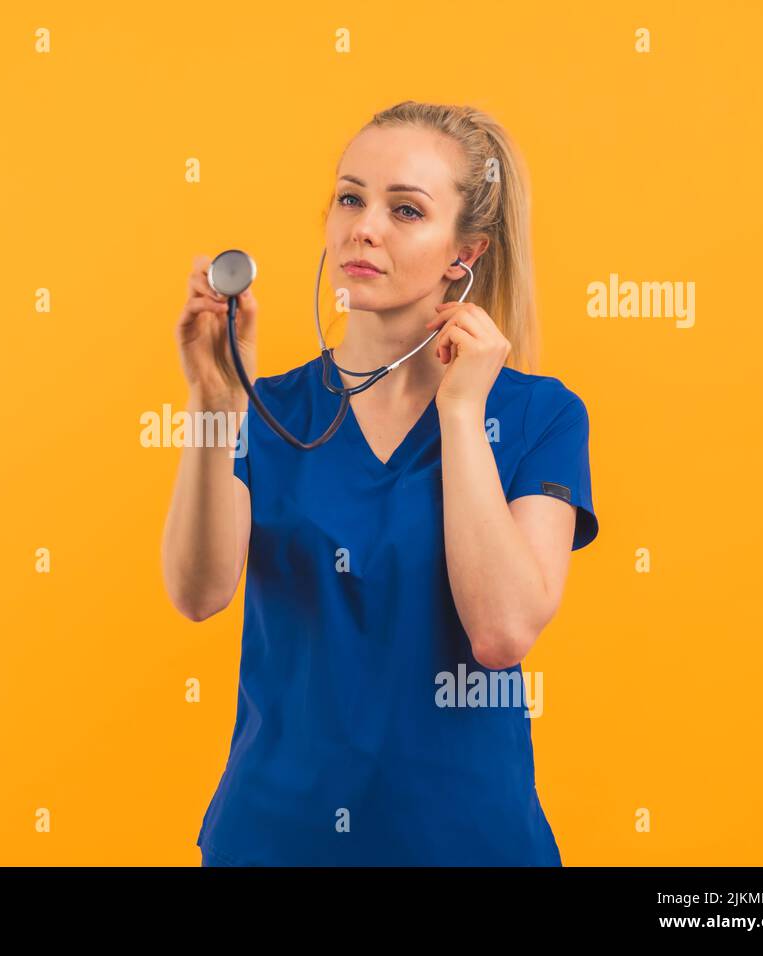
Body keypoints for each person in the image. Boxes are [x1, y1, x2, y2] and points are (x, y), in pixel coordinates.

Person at [161, 100, 599, 866]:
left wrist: (461, 415)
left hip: (468, 844)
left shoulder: (540, 416)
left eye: (405, 210)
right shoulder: (271, 409)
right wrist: (214, 403)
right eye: (349, 198)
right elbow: (197, 594)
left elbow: (502, 634)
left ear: (465, 252)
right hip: (276, 840)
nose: (363, 228)